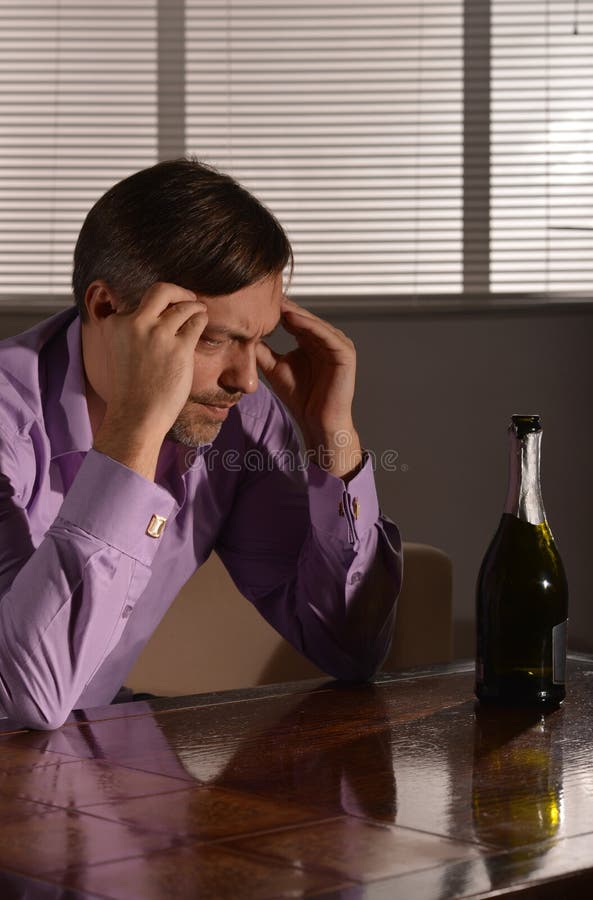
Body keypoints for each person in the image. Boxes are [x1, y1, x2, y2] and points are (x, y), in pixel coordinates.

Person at [0, 158, 402, 731]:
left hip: (93, 757)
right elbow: (21, 702)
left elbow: (347, 650)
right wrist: (136, 429)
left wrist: (330, 436)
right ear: (106, 308)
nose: (245, 379)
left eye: (258, 340)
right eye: (213, 339)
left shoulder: (239, 417)